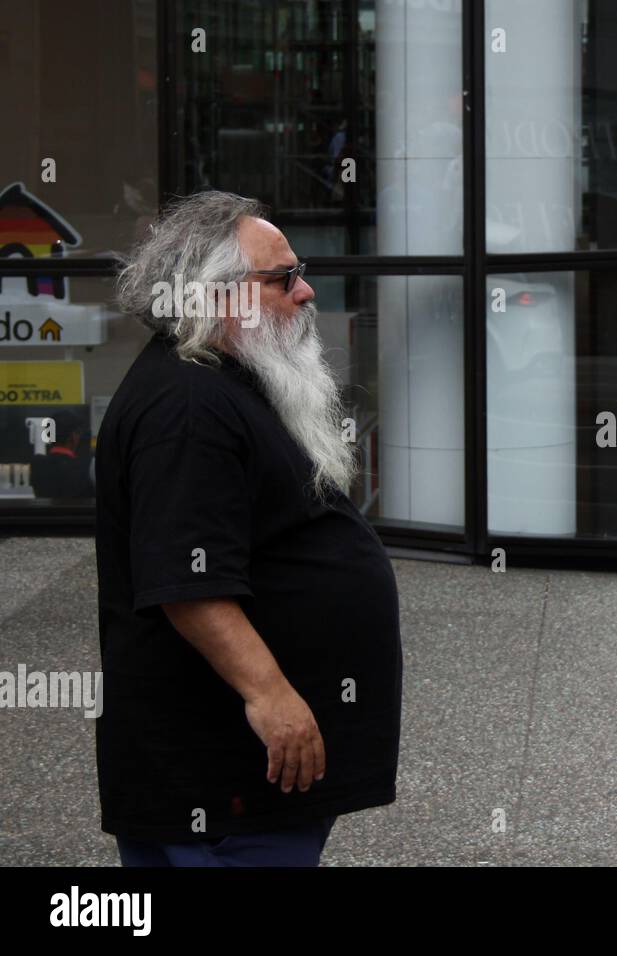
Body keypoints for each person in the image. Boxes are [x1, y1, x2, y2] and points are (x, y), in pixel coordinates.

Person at [97, 191, 403, 866]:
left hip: (248, 784)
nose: (306, 292)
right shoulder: (185, 409)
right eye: (283, 278)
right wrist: (271, 696)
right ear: (217, 295)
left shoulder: (228, 378)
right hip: (219, 787)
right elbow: (189, 583)